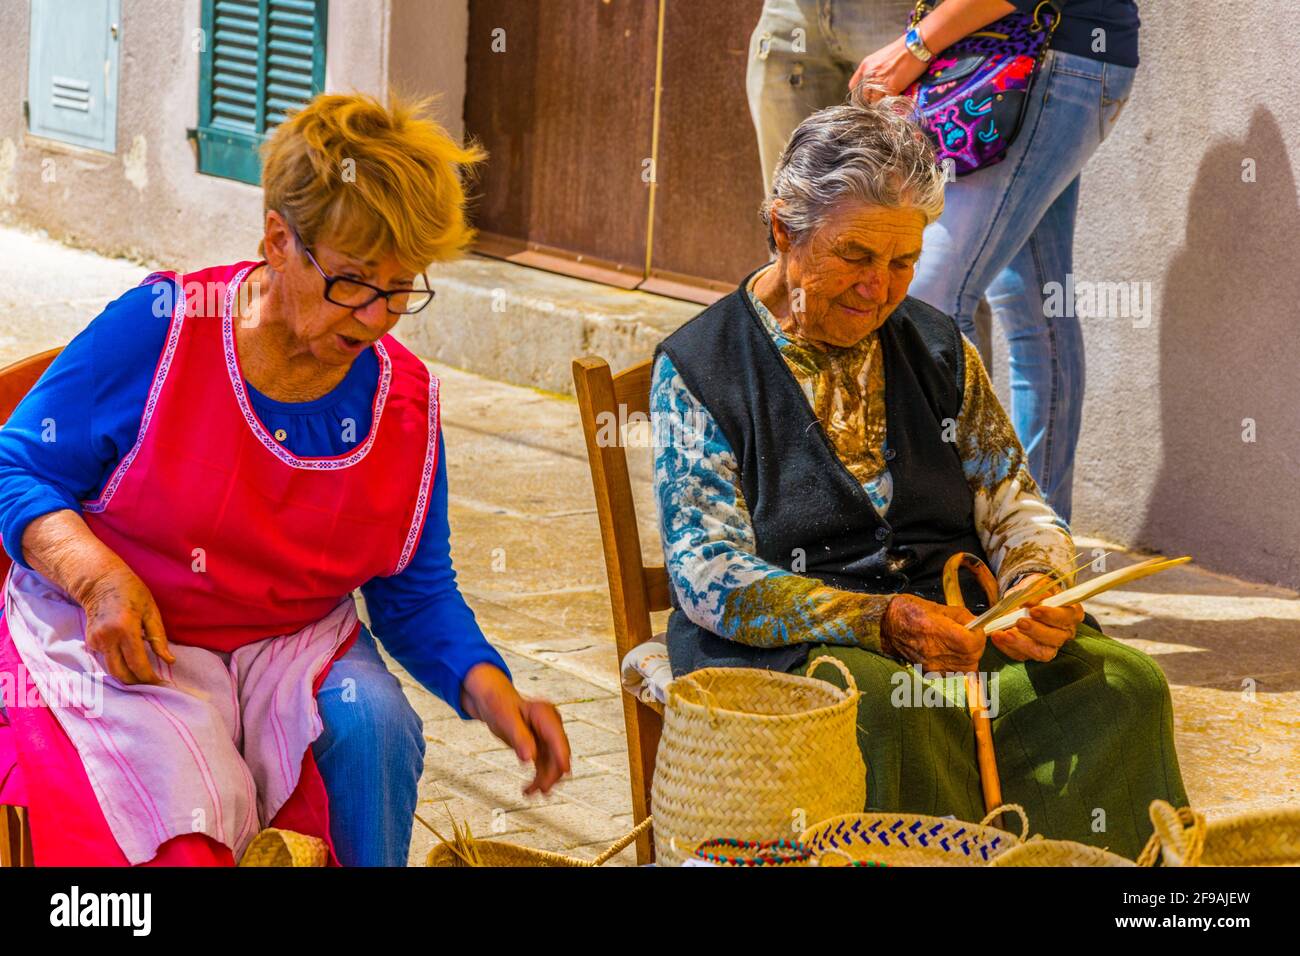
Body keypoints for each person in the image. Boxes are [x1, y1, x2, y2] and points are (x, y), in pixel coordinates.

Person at [0, 92, 571, 867]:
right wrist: (95, 575)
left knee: (375, 729)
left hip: (285, 644)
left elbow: (414, 590)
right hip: (127, 632)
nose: (375, 317)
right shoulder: (167, 327)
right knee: (180, 832)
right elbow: (19, 464)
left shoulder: (402, 403)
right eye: (352, 281)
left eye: (402, 288)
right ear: (278, 240)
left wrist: (489, 691)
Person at [651, 91, 1183, 859]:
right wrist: (876, 619)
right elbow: (708, 573)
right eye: (856, 257)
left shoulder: (935, 345)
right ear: (781, 230)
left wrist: (1038, 583)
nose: (881, 289)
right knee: (891, 714)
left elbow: (1015, 502)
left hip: (956, 622)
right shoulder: (700, 365)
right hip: (804, 643)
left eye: (904, 261)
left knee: (1123, 688)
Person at [847, 0, 1140, 520]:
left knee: (934, 300)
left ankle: (966, 524)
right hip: (1034, 60)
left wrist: (915, 46)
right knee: (1035, 308)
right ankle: (1039, 542)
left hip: (1043, 57)